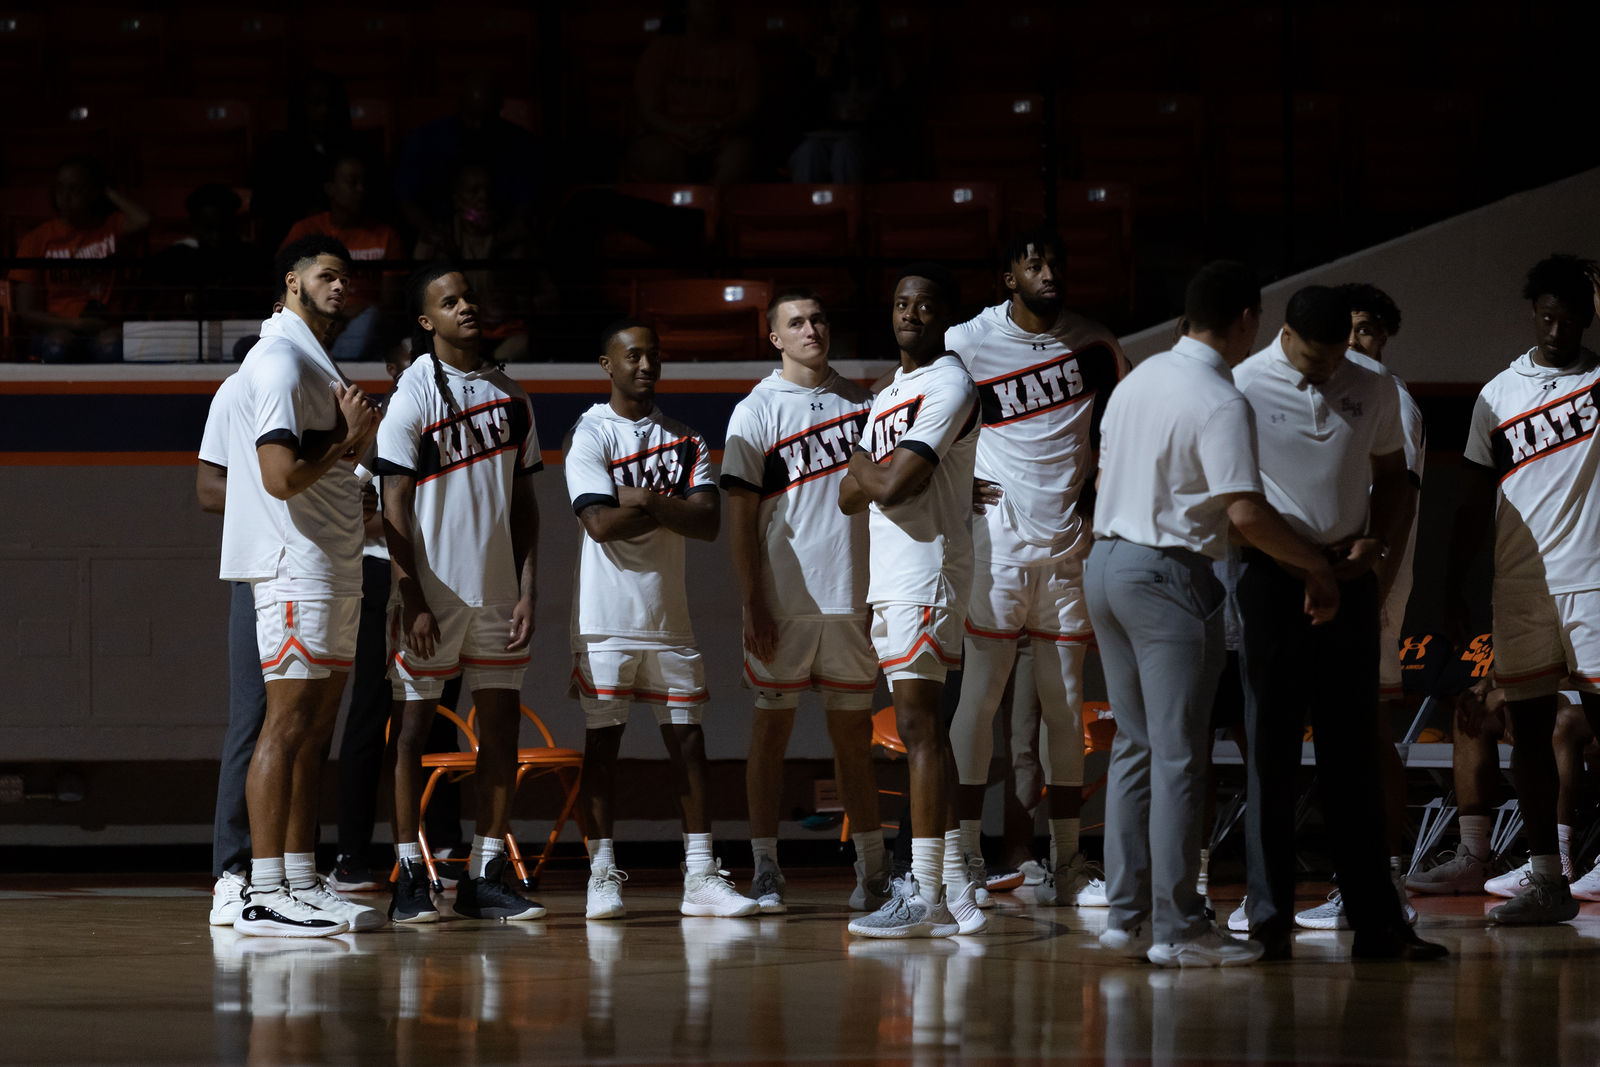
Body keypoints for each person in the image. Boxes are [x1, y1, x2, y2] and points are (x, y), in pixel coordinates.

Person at [1087, 260, 1339, 968]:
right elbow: (1244, 511)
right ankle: (1178, 925)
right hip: (1164, 574)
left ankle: (1125, 913)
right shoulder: (1219, 397)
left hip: (1104, 564)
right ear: (1247, 321)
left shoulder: (1136, 381)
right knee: (1175, 754)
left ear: (1182, 320)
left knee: (1134, 746)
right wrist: (1314, 563)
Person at [1232, 285, 1444, 961]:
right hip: (1271, 578)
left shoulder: (1375, 383)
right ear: (1286, 336)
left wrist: (1376, 546)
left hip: (1349, 579)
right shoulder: (1241, 386)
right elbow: (1233, 499)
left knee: (1353, 752)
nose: (1327, 370)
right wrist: (1303, 563)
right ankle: (1269, 921)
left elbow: (1399, 480)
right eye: (1315, 357)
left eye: (1334, 359)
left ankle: (1377, 920)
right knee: (1270, 753)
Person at [945, 227, 1127, 911]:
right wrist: (947, 482)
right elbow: (907, 409)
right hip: (997, 544)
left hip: (1070, 545)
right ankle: (963, 854)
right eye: (1034, 263)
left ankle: (1067, 861)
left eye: (1057, 261)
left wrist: (1100, 491)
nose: (1048, 271)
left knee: (1063, 701)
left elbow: (1124, 431)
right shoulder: (965, 342)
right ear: (1007, 278)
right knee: (981, 695)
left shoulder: (1097, 345)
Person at [567, 321, 759, 920]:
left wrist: (645, 499)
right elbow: (597, 524)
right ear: (608, 363)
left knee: (690, 745)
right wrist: (669, 506)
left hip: (669, 618)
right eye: (633, 355)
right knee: (603, 746)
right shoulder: (589, 433)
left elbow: (707, 523)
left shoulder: (689, 441)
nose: (645, 364)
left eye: (653, 354)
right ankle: (601, 873)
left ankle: (701, 875)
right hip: (604, 619)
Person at [224, 234, 385, 937]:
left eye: (347, 278)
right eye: (326, 275)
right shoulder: (281, 359)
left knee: (314, 731)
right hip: (295, 567)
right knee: (284, 728)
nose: (340, 287)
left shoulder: (314, 359)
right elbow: (279, 476)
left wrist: (356, 468)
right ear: (291, 282)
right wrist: (349, 441)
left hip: (332, 563)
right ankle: (262, 890)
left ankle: (296, 879)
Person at [377, 264, 545, 923]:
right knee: (411, 730)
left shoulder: (512, 396)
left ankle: (485, 873)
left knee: (498, 733)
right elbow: (392, 501)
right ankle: (410, 874)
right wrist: (410, 595)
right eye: (450, 301)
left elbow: (527, 502)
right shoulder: (412, 395)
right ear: (427, 321)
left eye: (470, 295)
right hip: (431, 596)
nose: (466, 306)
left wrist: (529, 588)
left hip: (498, 594)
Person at [720, 289, 886, 913]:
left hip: (852, 599)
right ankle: (765, 867)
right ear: (775, 338)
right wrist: (750, 601)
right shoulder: (755, 412)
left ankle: (871, 871)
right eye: (796, 321)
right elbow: (739, 520)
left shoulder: (865, 405)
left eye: (818, 317)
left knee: (853, 740)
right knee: (771, 734)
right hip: (782, 601)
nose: (810, 328)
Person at [1448, 253, 1600, 924]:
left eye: (1572, 316)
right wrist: (1452, 581)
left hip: (1593, 576)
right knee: (1527, 730)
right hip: (1519, 584)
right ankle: (1546, 878)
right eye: (1548, 315)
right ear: (1532, 313)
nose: (1558, 328)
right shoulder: (1497, 394)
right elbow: (1473, 500)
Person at [841, 264, 980, 939]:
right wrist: (871, 469)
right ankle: (951, 885)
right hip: (895, 580)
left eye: (924, 305)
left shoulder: (950, 383)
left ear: (944, 316)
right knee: (928, 734)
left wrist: (866, 462)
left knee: (923, 730)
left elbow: (890, 484)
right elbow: (847, 493)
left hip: (928, 572)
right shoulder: (892, 391)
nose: (910, 314)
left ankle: (927, 896)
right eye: (900, 303)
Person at [1290, 282, 1427, 932]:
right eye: (1350, 330)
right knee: (1349, 735)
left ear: (1387, 335)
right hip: (1341, 588)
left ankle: (1385, 876)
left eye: (1369, 329)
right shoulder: (1340, 393)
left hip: (1372, 590)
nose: (1358, 341)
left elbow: (1398, 512)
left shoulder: (1391, 399)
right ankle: (1365, 879)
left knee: (1371, 735)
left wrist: (1376, 594)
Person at [197, 370, 269, 927]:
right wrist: (286, 491)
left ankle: (289, 870)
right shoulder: (239, 388)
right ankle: (232, 872)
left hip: (318, 571)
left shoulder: (324, 384)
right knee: (254, 720)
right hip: (262, 571)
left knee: (305, 729)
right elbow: (207, 489)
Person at [8, 157, 149, 362]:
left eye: (76, 188)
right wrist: (75, 325)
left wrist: (108, 192)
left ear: (94, 192)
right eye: (60, 188)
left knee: (112, 347)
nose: (66, 196)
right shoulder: (37, 239)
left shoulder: (110, 227)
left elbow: (144, 220)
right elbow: (26, 312)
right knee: (58, 347)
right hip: (57, 328)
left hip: (105, 328)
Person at [279, 154, 405, 362]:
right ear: (331, 189)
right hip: (315, 318)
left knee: (371, 319)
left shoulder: (386, 235)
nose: (361, 190)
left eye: (364, 183)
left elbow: (388, 302)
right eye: (352, 183)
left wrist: (343, 316)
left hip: (360, 322)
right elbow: (284, 289)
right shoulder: (306, 230)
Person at [628, 0, 760, 184]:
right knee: (657, 158)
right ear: (684, 7)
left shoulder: (741, 52)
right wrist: (680, 132)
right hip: (668, 137)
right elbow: (648, 110)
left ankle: (712, 207)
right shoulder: (661, 50)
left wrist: (718, 128)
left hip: (724, 138)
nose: (711, 4)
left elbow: (748, 109)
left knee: (738, 159)